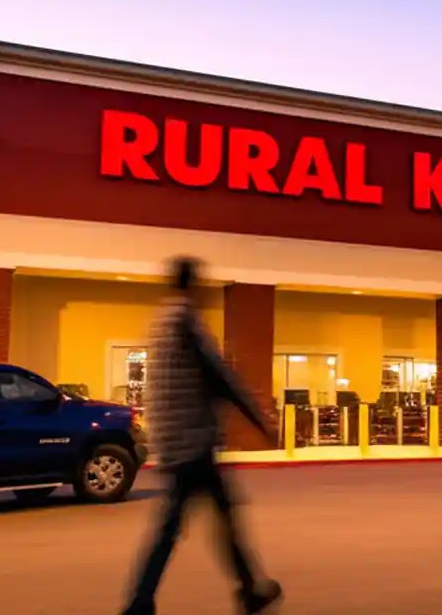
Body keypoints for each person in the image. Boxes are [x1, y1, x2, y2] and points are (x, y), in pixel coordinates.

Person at [122, 257, 283, 615]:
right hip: (193, 441)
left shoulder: (162, 322)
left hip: (173, 440)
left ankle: (246, 589)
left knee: (205, 519)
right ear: (192, 284)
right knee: (198, 522)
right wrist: (259, 420)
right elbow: (219, 376)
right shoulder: (185, 321)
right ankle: (141, 602)